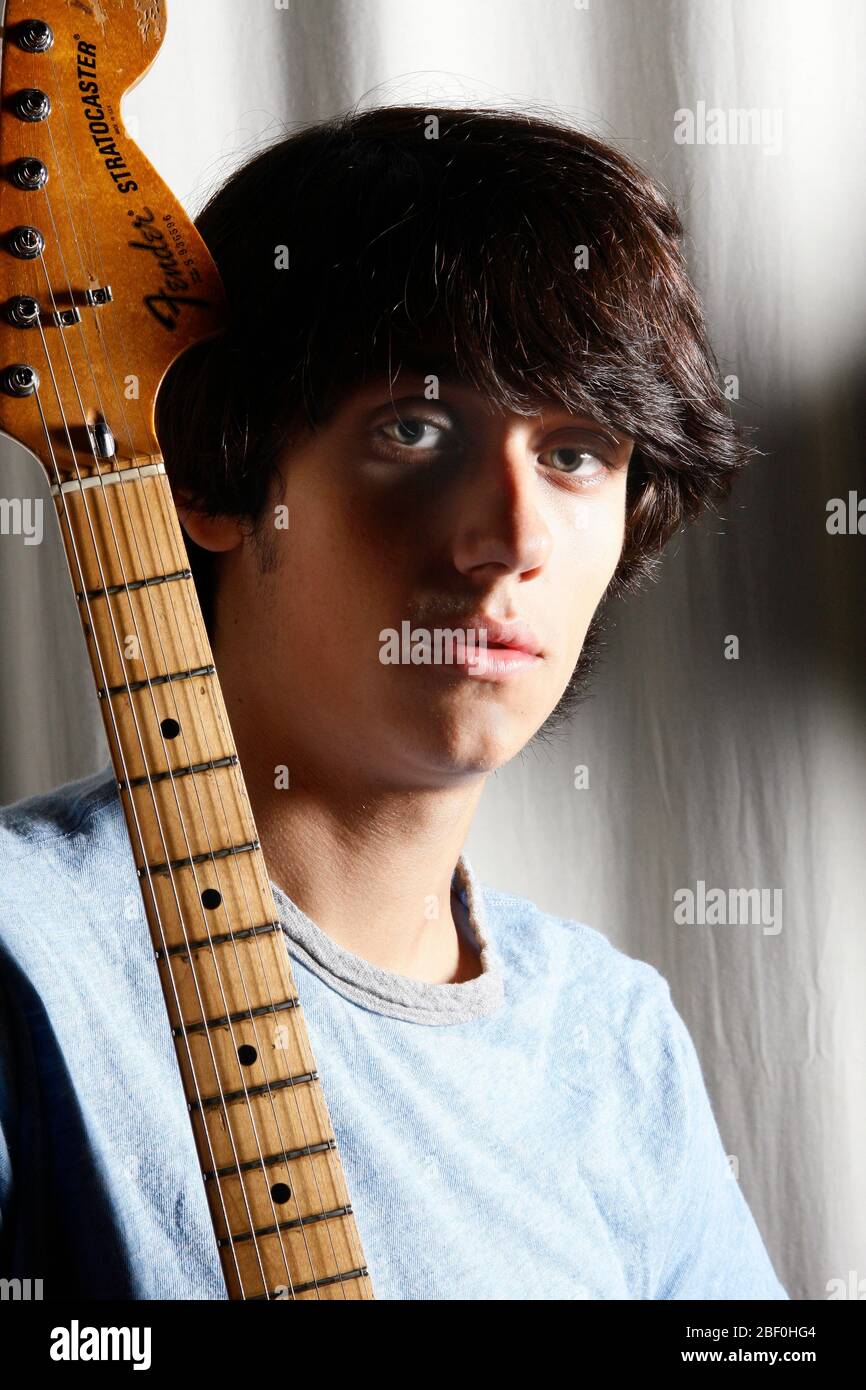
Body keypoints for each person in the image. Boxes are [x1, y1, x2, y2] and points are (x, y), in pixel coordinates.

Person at [0, 105, 787, 1299]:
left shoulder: (612, 1038)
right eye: (417, 428)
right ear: (216, 475)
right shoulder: (22, 950)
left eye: (575, 453)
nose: (511, 538)